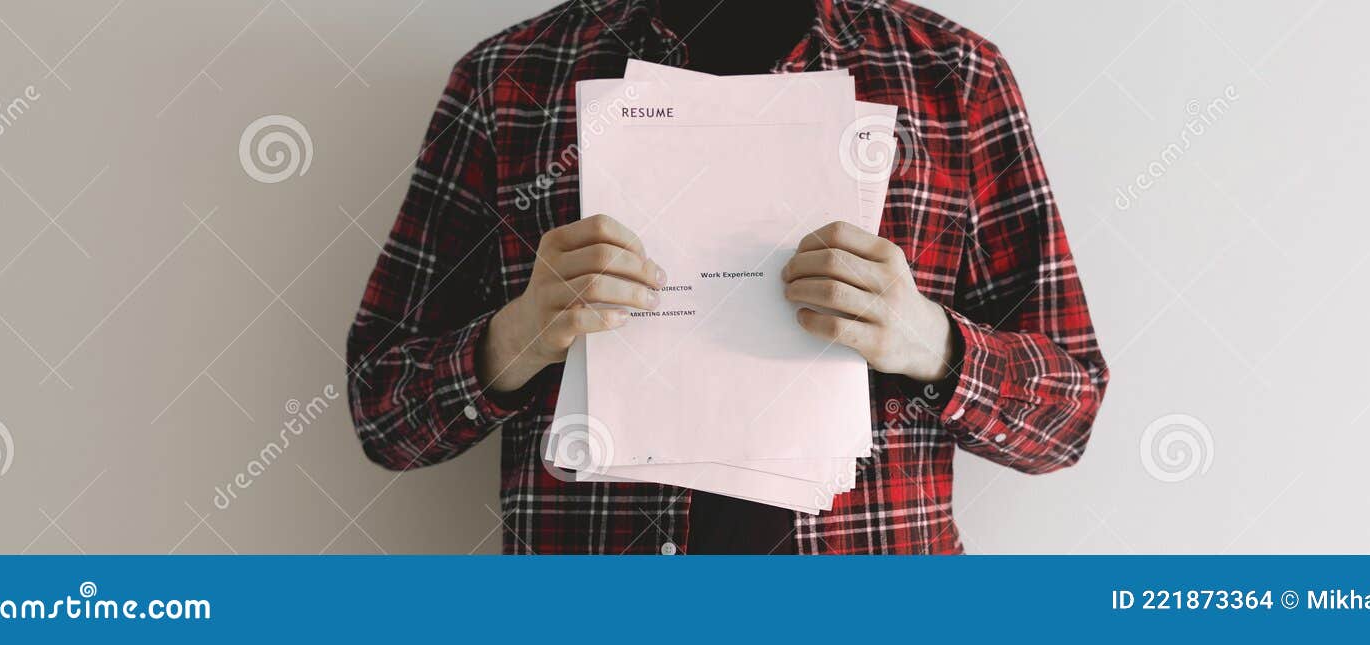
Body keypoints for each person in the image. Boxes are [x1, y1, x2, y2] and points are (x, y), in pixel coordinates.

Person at [346, 0, 1108, 554]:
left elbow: (1069, 416)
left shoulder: (955, 75)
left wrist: (932, 344)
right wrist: (520, 335)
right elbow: (383, 413)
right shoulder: (509, 79)